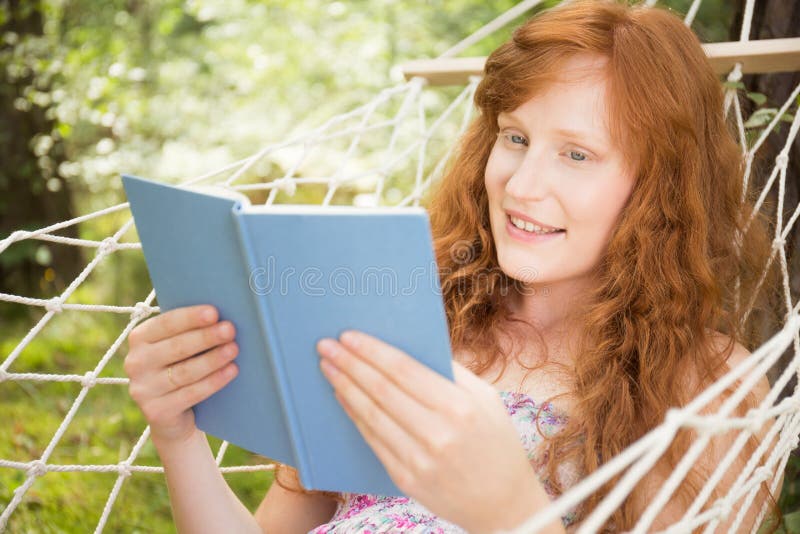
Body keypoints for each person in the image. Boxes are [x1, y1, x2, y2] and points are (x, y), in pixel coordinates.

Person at [123, 0, 783, 532]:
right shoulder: (412, 319)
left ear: (658, 187)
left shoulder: (705, 387)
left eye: (577, 154)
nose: (521, 186)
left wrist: (511, 512)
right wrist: (177, 435)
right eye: (516, 138)